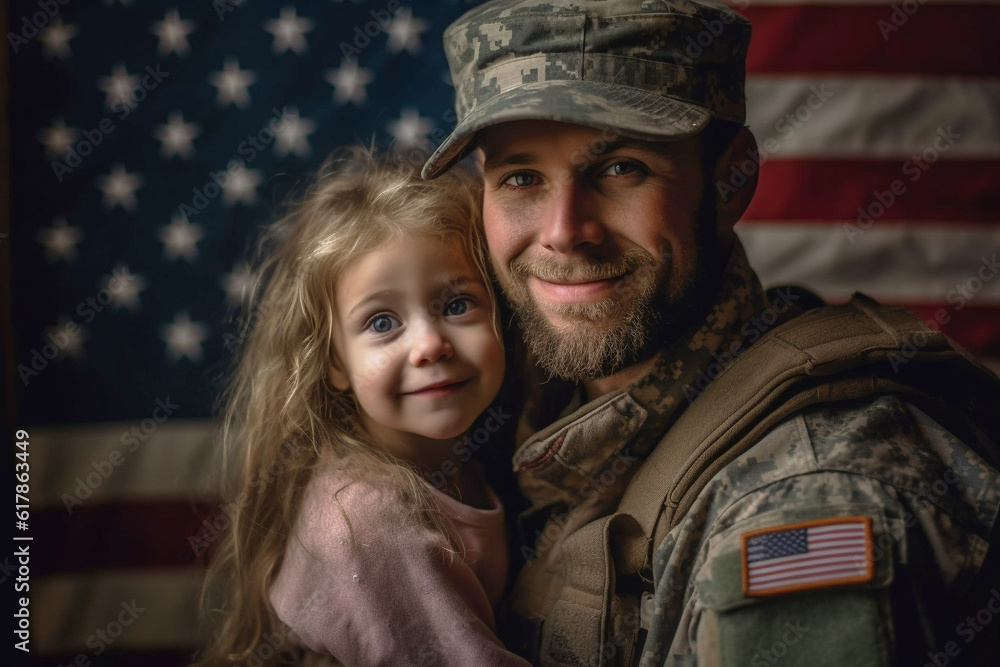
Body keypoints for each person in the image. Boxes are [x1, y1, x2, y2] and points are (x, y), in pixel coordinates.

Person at [422, 1, 1000, 666]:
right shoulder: (512, 417)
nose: (562, 230)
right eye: (521, 177)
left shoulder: (805, 501)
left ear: (731, 180)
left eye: (620, 169)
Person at [193, 148, 531, 666]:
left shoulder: (475, 458)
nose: (429, 345)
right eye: (381, 323)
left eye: (457, 304)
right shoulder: (368, 522)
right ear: (335, 363)